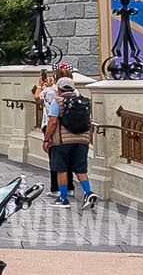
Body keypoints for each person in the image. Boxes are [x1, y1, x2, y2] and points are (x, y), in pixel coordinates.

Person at [41, 64, 97, 207]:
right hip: (82, 140)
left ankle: (63, 198)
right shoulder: (84, 101)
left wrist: (47, 138)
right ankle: (88, 192)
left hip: (62, 141)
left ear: (59, 89)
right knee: (80, 169)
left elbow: (53, 122)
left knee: (62, 169)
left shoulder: (58, 101)